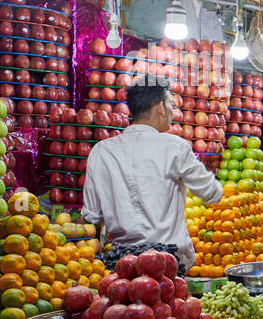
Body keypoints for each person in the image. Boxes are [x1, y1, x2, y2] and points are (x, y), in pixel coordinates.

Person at [82, 79, 223, 269]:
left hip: (122, 261)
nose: (172, 112)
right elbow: (211, 194)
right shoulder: (175, 147)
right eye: (171, 104)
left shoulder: (101, 151)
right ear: (160, 107)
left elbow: (92, 216)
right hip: (169, 262)